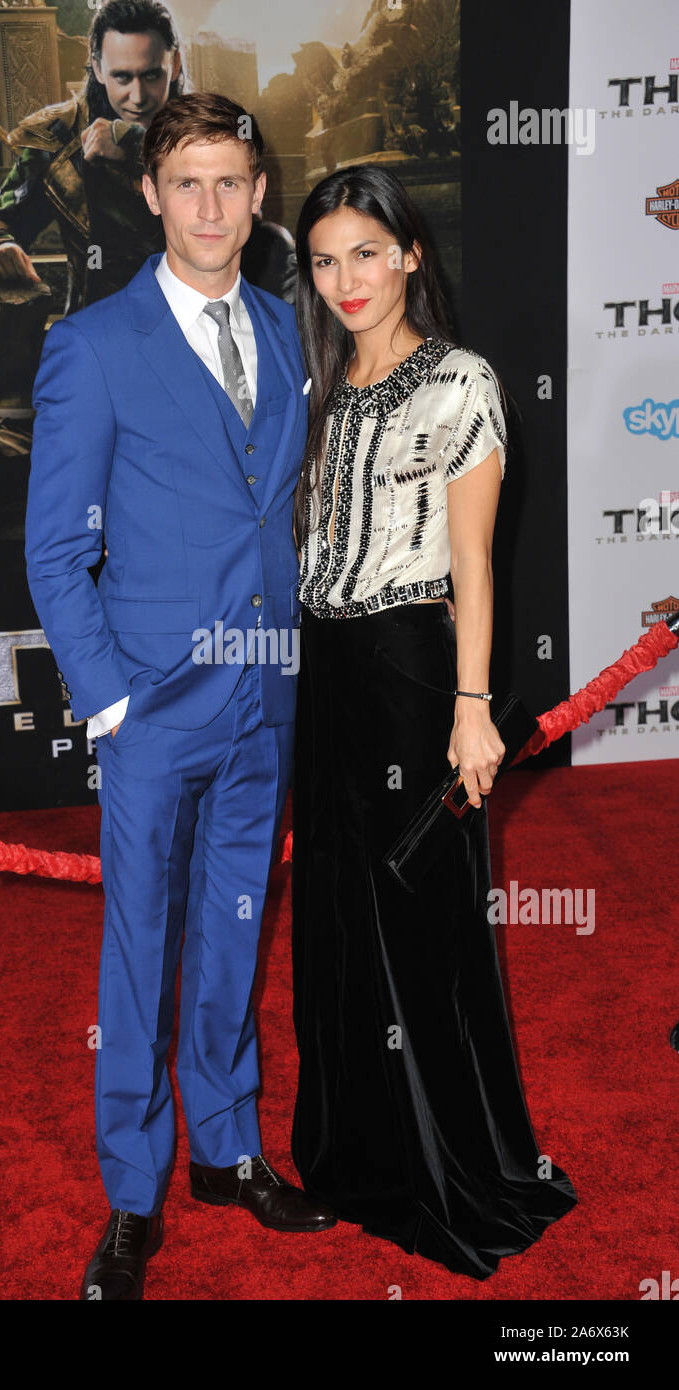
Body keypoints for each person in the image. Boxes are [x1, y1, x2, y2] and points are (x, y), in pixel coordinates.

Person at [25, 91, 335, 1302]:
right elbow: (57, 550)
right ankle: (130, 1192)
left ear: (260, 197)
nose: (211, 205)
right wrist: (111, 702)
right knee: (139, 953)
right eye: (187, 182)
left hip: (267, 700)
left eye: (231, 182)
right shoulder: (93, 345)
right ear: (152, 195)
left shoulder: (291, 329)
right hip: (153, 708)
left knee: (234, 932)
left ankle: (228, 1146)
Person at [289, 164, 578, 1281]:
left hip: (413, 669)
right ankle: (358, 1153)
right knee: (335, 917)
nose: (345, 279)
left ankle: (454, 1169)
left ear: (411, 254)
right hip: (326, 672)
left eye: (366, 252)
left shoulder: (461, 382)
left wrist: (470, 708)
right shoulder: (321, 378)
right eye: (324, 260)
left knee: (421, 923)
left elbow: (472, 562)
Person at [0, 0, 295, 312]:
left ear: (175, 64)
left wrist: (135, 145)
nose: (137, 96)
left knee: (275, 244)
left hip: (206, 316)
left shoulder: (211, 131)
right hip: (106, 326)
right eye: (122, 77)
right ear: (97, 67)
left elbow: (245, 220)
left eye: (151, 75)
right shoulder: (60, 136)